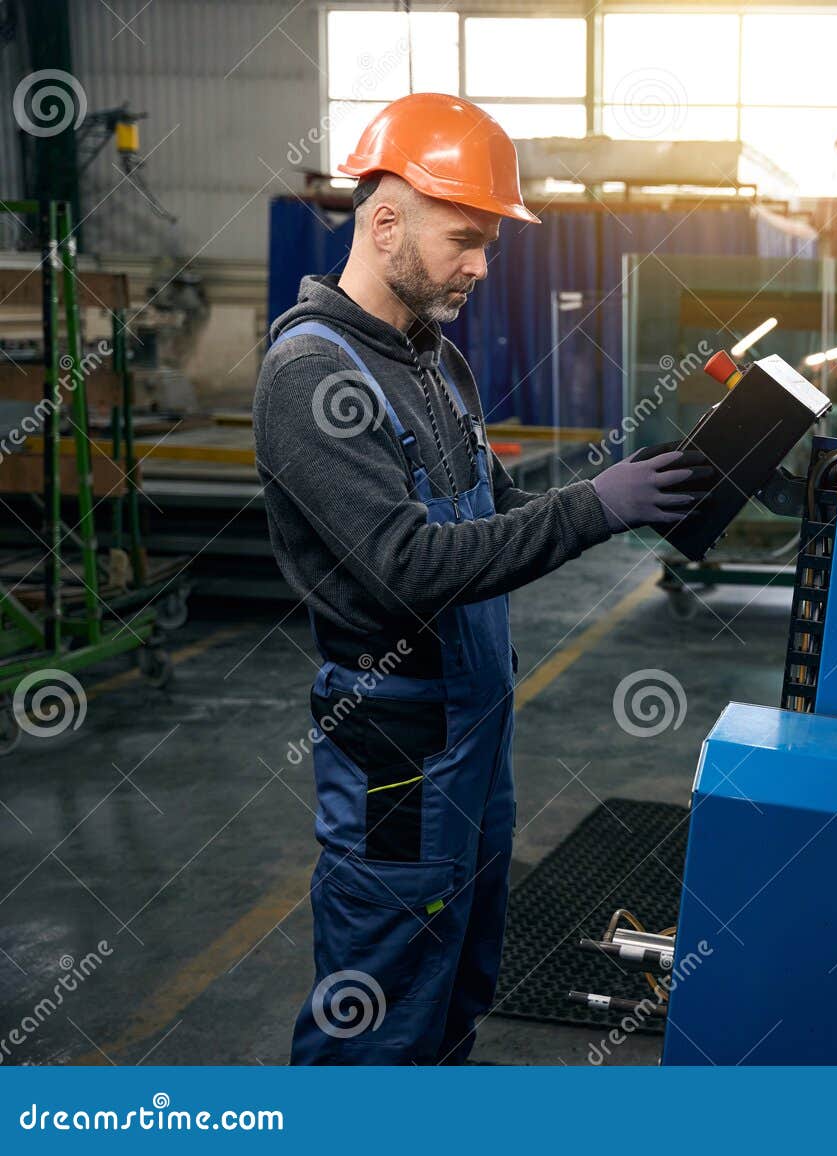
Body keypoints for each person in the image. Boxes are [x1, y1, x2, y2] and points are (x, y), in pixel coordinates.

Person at [253, 92, 710, 1063]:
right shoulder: (309, 376)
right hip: (401, 749)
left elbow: (494, 517)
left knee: (458, 981)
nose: (481, 265)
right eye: (465, 238)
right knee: (380, 1012)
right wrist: (597, 508)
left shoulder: (435, 361)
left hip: (475, 741)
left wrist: (653, 485)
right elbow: (407, 566)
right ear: (383, 224)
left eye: (490, 241)